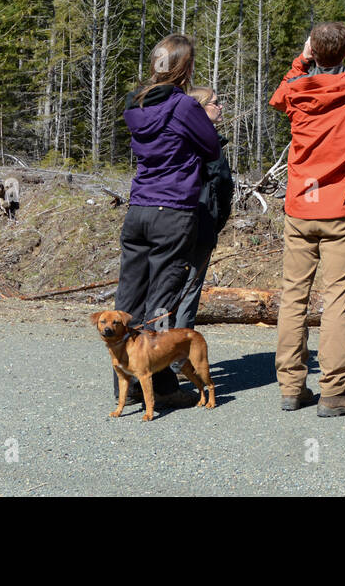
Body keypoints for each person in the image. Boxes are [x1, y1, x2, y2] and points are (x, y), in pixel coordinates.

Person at [268, 21, 345, 416]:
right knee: (337, 300)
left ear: (312, 52)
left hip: (301, 205)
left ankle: (291, 387)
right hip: (340, 207)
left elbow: (278, 96)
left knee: (293, 296)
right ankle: (334, 390)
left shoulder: (296, 89)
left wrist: (302, 61)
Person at [115, 34, 222, 409]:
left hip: (138, 208)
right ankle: (160, 388)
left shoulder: (133, 103)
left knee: (128, 299)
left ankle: (123, 387)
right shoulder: (182, 106)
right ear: (184, 69)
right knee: (161, 303)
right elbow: (211, 145)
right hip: (173, 210)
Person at [170, 87, 233, 375]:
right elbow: (221, 183)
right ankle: (179, 360)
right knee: (187, 293)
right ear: (199, 110)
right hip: (199, 224)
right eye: (215, 102)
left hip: (172, 223)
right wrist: (217, 222)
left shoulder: (177, 137)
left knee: (168, 289)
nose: (221, 106)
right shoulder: (208, 143)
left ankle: (166, 358)